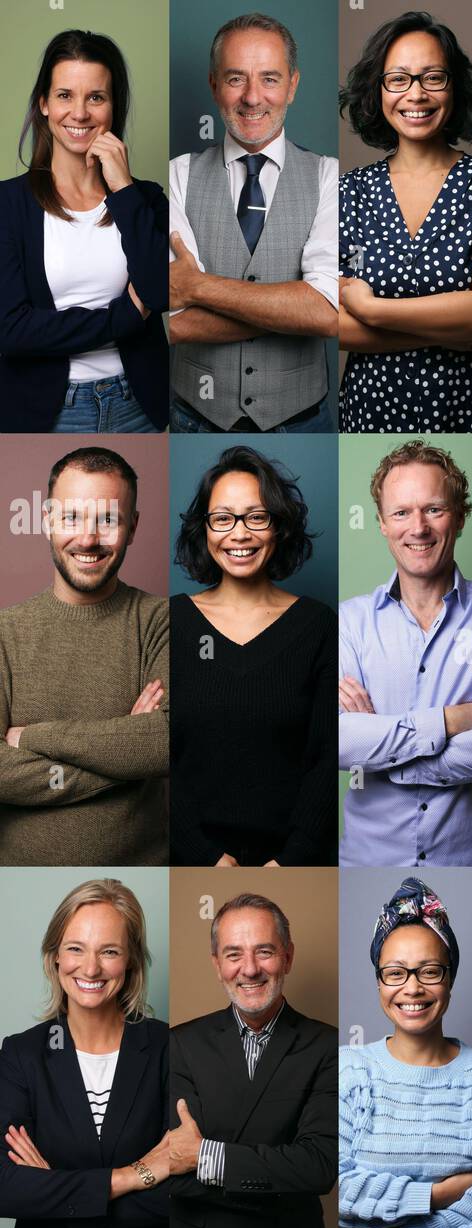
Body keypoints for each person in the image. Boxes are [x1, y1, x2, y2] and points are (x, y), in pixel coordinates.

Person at [339, 439, 472, 867]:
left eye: (434, 509)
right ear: (381, 522)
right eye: (401, 512)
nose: (418, 527)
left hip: (469, 864)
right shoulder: (348, 623)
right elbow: (338, 743)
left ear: (461, 516)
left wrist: (384, 748)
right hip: (367, 864)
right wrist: (452, 720)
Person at [339, 877, 472, 1228]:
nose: (412, 988)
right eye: (395, 973)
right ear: (378, 981)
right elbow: (336, 1191)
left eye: (430, 971)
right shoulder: (347, 1069)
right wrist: (437, 1194)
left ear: (450, 979)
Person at [0, 879, 170, 1228]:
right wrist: (134, 1176)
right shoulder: (21, 1054)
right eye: (76, 948)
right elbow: (6, 1186)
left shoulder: (169, 1048)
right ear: (55, 956)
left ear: (130, 962)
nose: (90, 969)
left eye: (109, 951)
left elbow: (183, 1189)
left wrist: (56, 1190)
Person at [168, 13, 338, 432]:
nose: (252, 97)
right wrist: (291, 309)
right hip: (194, 417)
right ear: (213, 85)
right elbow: (176, 320)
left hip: (303, 422)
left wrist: (198, 287)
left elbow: (327, 312)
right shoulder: (177, 175)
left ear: (292, 86)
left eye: (269, 79)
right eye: (235, 79)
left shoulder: (329, 176)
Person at [338, 10, 472, 432]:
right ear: (377, 91)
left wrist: (371, 309)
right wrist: (449, 331)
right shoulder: (348, 192)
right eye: (398, 78)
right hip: (370, 414)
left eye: (433, 77)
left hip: (470, 411)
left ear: (454, 88)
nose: (416, 94)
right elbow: (334, 326)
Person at [0, 448, 168, 867]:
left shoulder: (164, 621)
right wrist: (126, 750)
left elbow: (168, 741)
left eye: (108, 519)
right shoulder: (4, 633)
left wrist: (34, 738)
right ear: (46, 521)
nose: (89, 539)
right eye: (72, 517)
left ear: (132, 527)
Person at [170, 447, 337, 866]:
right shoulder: (171, 621)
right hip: (189, 863)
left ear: (278, 527)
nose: (239, 534)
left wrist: (292, 861)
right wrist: (205, 856)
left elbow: (327, 755)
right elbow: (157, 756)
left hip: (298, 864)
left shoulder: (317, 625)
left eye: (256, 517)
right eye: (222, 518)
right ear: (204, 530)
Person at [169, 893, 337, 1228]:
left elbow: (317, 1168)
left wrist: (205, 1157)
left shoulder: (327, 1046)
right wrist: (273, 1181)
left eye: (264, 952)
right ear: (216, 965)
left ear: (288, 957)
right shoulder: (179, 1043)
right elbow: (169, 1171)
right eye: (233, 954)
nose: (249, 970)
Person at [0, 29, 168, 433]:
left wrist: (124, 190)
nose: (80, 113)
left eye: (96, 97)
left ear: (113, 107)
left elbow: (162, 292)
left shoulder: (144, 198)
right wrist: (124, 316)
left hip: (137, 404)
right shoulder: (8, 204)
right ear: (43, 103)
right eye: (64, 95)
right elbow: (12, 330)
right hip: (49, 411)